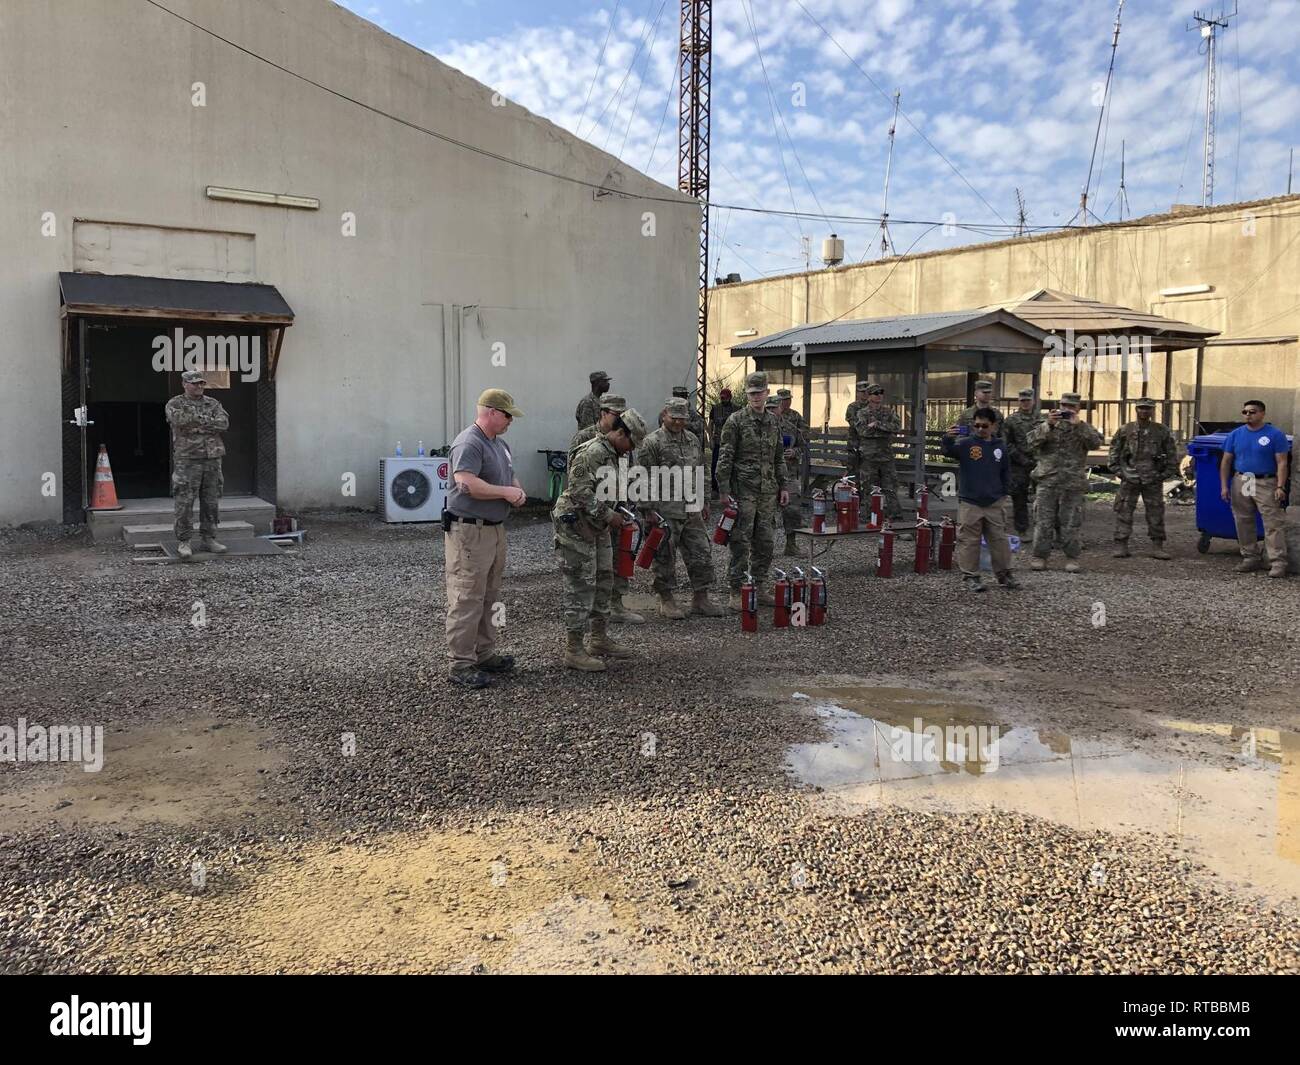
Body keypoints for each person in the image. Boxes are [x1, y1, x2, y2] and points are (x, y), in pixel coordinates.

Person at [553, 409, 649, 670]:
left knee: (604, 580)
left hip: (599, 526)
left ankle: (598, 638)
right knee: (581, 585)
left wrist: (622, 510)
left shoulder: (618, 455)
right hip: (577, 525)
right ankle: (573, 649)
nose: (631, 449)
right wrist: (610, 515)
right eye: (631, 443)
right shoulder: (592, 452)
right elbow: (580, 492)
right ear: (620, 433)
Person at [443, 389, 527, 688]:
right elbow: (465, 483)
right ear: (491, 412)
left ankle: (484, 653)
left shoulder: (499, 444)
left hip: (493, 528)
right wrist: (506, 493)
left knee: (489, 594)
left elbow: (509, 474)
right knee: (467, 595)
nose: (509, 422)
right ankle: (461, 662)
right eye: (507, 416)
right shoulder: (469, 442)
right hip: (470, 530)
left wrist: (515, 490)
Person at [635, 398, 724, 618]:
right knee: (664, 556)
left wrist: (704, 500)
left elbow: (702, 471)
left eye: (681, 418)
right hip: (665, 509)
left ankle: (700, 599)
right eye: (673, 417)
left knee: (701, 552)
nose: (677, 421)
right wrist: (647, 510)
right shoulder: (652, 442)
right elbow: (643, 478)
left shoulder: (693, 440)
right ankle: (666, 600)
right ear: (664, 414)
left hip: (691, 506)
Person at [715, 371, 790, 611]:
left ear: (767, 393)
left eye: (760, 393)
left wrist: (784, 485)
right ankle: (736, 591)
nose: (756, 397)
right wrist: (724, 490)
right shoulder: (736, 421)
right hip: (743, 491)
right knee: (740, 541)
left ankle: (759, 585)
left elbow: (779, 457)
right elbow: (725, 457)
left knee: (766, 541)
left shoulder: (773, 421)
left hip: (767, 491)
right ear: (747, 395)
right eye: (751, 394)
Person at [569, 394, 644, 624]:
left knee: (613, 563)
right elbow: (577, 486)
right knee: (586, 573)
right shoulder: (588, 442)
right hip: (589, 515)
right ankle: (584, 621)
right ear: (603, 413)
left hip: (614, 507)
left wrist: (626, 502)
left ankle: (613, 605)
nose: (620, 418)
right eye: (616, 414)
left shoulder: (621, 443)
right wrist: (605, 512)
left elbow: (626, 471)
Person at [941, 409, 1019, 592]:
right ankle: (971, 576)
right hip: (970, 501)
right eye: (976, 425)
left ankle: (1005, 574)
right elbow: (948, 452)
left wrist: (1005, 492)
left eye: (984, 425)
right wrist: (947, 437)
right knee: (969, 540)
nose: (980, 429)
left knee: (999, 539)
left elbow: (1006, 471)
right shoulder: (966, 444)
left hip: (994, 501)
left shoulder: (1000, 446)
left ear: (993, 426)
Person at [1026, 392, 1103, 572]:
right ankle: (1040, 556)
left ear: (1078, 408)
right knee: (1043, 521)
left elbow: (1095, 444)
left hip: (1072, 483)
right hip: (1048, 480)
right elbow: (1030, 442)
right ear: (1059, 406)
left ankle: (1072, 557)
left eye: (1071, 407)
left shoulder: (1084, 427)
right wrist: (1048, 425)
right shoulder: (1046, 424)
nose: (1067, 410)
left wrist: (1080, 426)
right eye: (1064, 406)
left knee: (1071, 521)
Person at [1220, 399, 1291, 578]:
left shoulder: (1275, 434)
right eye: (1245, 412)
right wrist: (1224, 486)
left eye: (1252, 412)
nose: (1248, 415)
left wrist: (1280, 486)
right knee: (1243, 520)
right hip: (1243, 480)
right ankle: (1250, 557)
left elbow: (1282, 462)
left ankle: (1277, 562)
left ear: (1262, 414)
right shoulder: (1235, 435)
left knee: (1272, 522)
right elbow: (1226, 461)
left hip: (1265, 482)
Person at [165, 369, 230, 560]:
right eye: (194, 383)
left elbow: (224, 423)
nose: (199, 386)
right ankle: (184, 541)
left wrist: (197, 424)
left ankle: (208, 538)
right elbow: (179, 421)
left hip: (212, 459)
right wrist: (207, 423)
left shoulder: (213, 403)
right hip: (187, 460)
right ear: (184, 384)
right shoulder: (175, 403)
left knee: (211, 501)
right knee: (184, 502)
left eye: (201, 383)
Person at [1109, 398, 1179, 560]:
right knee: (1124, 510)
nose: (1144, 411)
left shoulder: (1161, 431)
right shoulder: (1125, 430)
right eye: (1141, 408)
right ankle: (1121, 544)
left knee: (1156, 512)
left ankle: (1157, 546)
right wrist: (1119, 471)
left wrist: (1164, 474)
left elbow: (1171, 453)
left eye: (1148, 409)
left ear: (1152, 410)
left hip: (1152, 478)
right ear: (1136, 410)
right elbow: (1114, 451)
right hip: (1129, 477)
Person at [848, 384, 902, 522]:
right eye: (876, 393)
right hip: (869, 456)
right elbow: (862, 431)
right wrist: (883, 431)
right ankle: (868, 518)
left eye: (881, 393)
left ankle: (895, 518)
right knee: (868, 488)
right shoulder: (862, 413)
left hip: (886, 456)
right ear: (870, 396)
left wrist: (878, 425)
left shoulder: (889, 412)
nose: (879, 395)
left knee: (890, 488)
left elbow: (896, 427)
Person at [1002, 387, 1042, 538]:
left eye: (1028, 400)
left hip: (1040, 464)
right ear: (1019, 401)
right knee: (1019, 498)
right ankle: (1022, 529)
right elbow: (1007, 444)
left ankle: (1043, 531)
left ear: (1033, 401)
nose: (1025, 403)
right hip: (1019, 465)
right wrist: (1022, 459)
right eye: (1022, 401)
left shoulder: (1042, 419)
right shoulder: (1011, 420)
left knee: (1043, 498)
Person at [775, 387, 808, 555]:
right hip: (771, 472)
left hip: (790, 470)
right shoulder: (769, 416)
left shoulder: (795, 417)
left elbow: (804, 443)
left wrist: (795, 452)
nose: (786, 402)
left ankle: (791, 544)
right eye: (783, 399)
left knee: (793, 508)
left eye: (788, 399)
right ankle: (760, 547)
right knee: (765, 511)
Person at [708, 386, 741, 494]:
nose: (723, 400)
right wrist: (710, 438)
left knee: (732, 464)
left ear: (730, 398)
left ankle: (732, 486)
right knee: (715, 464)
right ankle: (715, 486)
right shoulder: (715, 408)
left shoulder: (737, 409)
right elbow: (710, 423)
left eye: (725, 398)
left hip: (733, 442)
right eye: (721, 398)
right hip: (718, 441)